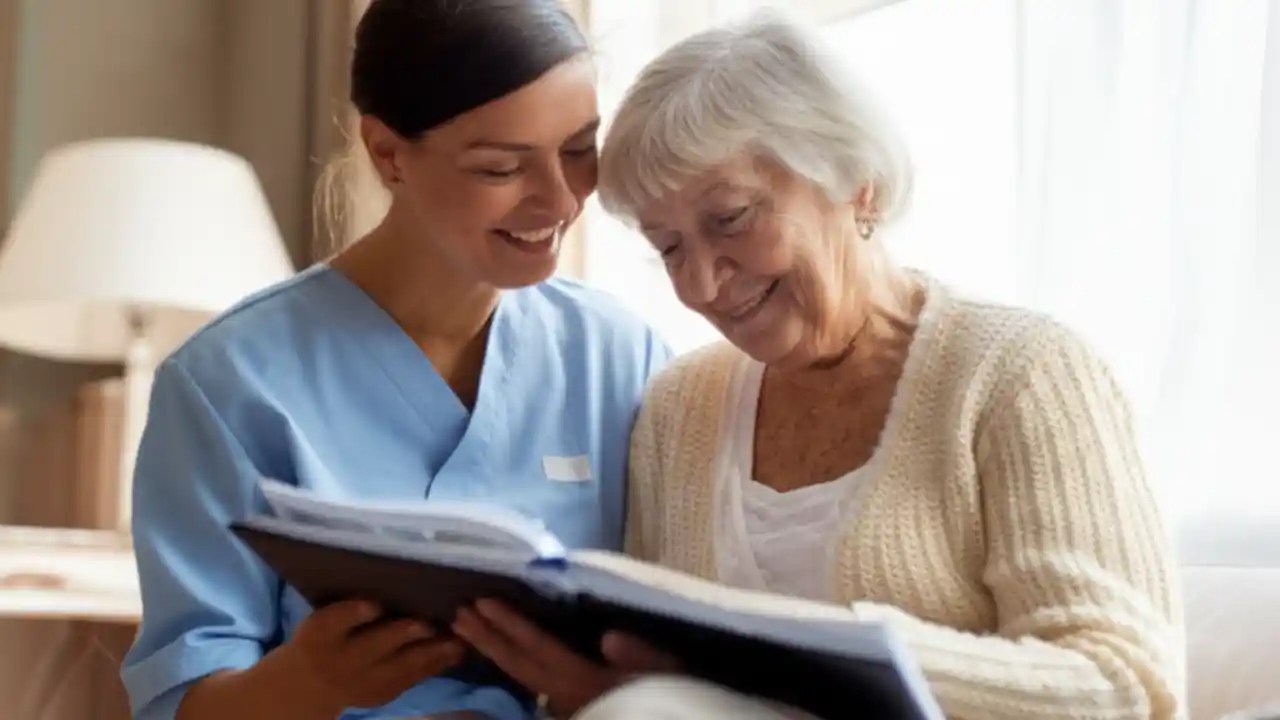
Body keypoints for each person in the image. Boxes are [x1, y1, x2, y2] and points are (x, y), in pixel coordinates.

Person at [450, 10, 1185, 720]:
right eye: (669, 246)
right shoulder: (678, 408)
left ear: (853, 180)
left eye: (731, 218)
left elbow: (1123, 683)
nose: (702, 284)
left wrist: (829, 656)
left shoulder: (1022, 375)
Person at [119, 1, 671, 719]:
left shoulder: (620, 358)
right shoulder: (226, 384)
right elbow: (181, 705)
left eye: (578, 150)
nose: (560, 199)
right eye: (502, 166)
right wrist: (310, 682)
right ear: (387, 153)